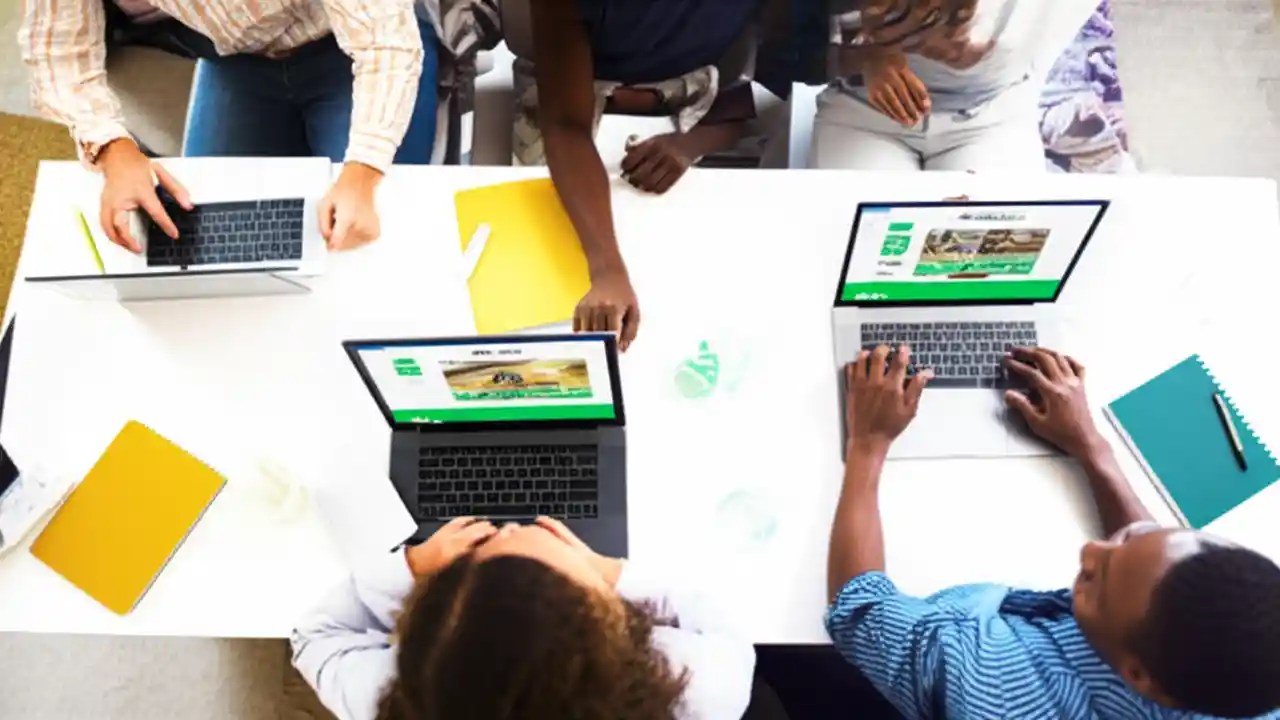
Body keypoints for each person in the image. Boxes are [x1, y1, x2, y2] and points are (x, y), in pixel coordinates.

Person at [827, 344, 1280, 719]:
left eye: (1095, 582)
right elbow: (1153, 578)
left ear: (1138, 675)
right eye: (1129, 539)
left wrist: (868, 443)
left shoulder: (993, 685)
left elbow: (860, 608)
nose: (1089, 550)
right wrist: (1090, 444)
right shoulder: (1248, 672)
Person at [19, 0, 438, 254]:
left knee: (361, 238)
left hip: (350, 43)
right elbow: (58, 48)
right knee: (201, 242)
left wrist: (362, 171)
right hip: (239, 61)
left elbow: (385, 42)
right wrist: (113, 148)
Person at [292, 516, 755, 720]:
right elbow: (723, 633)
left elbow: (315, 637)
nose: (511, 527)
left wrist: (411, 566)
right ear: (608, 620)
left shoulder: (386, 697)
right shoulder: (700, 692)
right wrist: (613, 576)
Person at [524, 0, 764, 351]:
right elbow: (564, 125)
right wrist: (606, 269)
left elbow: (756, 82)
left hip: (694, 115)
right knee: (549, 308)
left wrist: (691, 143)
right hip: (576, 114)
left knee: (703, 302)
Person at [809, 0, 1048, 173]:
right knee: (859, 231)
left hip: (993, 110)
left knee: (991, 234)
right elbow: (786, 47)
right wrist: (868, 55)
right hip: (861, 109)